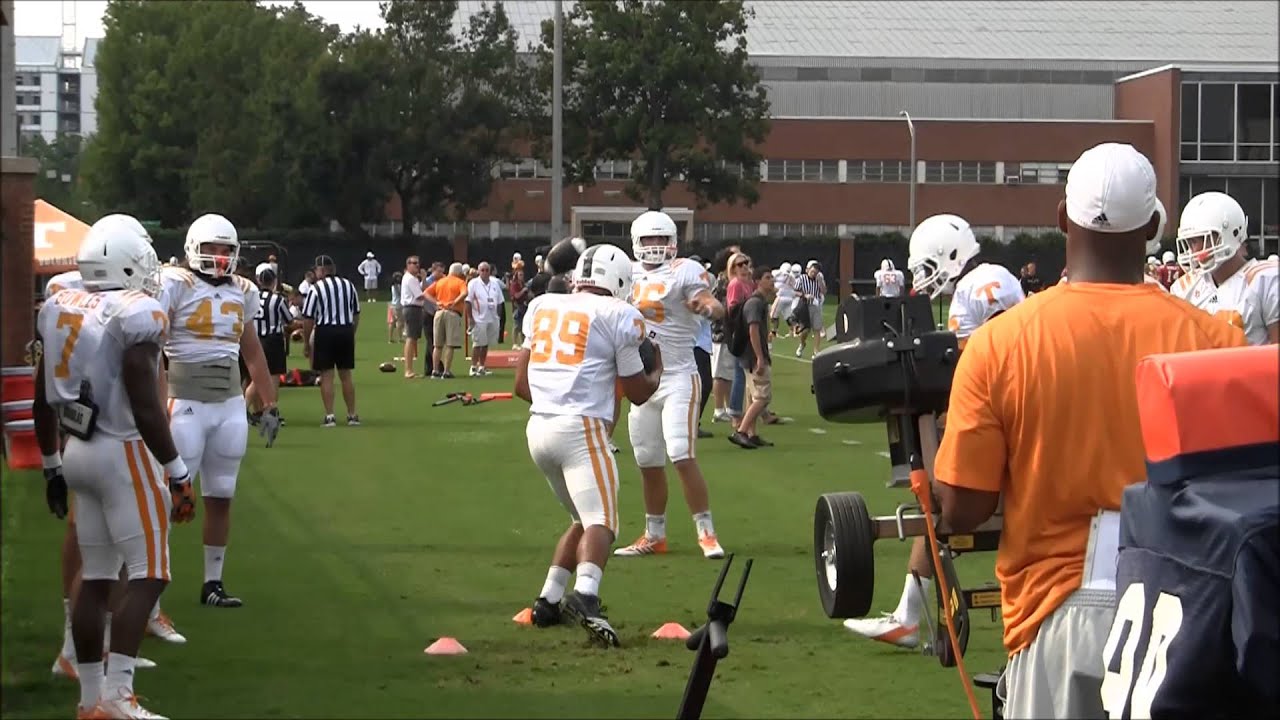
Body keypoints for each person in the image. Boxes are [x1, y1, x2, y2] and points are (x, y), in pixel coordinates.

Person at [931, 142, 1245, 718]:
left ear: (1061, 218)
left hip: (1056, 609)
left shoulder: (1002, 342)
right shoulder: (1217, 340)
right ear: (1152, 226)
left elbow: (964, 508)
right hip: (1185, 608)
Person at [33, 215, 195, 719]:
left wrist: (51, 466)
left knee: (98, 575)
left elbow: (42, 399)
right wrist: (179, 470)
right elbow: (146, 404)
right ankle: (118, 696)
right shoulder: (134, 312)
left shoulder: (61, 303)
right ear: (125, 263)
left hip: (76, 450)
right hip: (122, 450)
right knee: (152, 575)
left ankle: (89, 701)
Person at [843, 213, 1025, 648]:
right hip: (1009, 412)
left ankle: (910, 614)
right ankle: (909, 613)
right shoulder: (986, 279)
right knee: (933, 499)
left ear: (950, 255)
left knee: (939, 494)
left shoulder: (979, 283)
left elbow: (972, 363)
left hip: (1005, 419)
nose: (923, 279)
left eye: (927, 266)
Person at [515, 243, 663, 646]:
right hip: (579, 430)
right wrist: (658, 369)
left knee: (582, 520)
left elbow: (520, 384)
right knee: (603, 523)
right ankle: (586, 595)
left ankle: (547, 601)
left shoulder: (543, 305)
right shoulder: (619, 313)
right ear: (618, 281)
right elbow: (637, 392)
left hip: (538, 429)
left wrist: (558, 398)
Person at [158, 213, 281, 609]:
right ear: (194, 248)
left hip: (228, 403)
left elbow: (252, 350)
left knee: (222, 495)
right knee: (171, 498)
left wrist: (269, 402)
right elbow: (152, 349)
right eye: (211, 248)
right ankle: (151, 595)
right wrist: (158, 404)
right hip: (185, 400)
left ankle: (213, 583)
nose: (219, 256)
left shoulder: (242, 290)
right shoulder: (174, 283)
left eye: (225, 249)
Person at [614, 210, 727, 560]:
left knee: (680, 453)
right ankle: (654, 535)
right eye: (649, 239)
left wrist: (707, 307)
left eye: (662, 239)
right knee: (648, 460)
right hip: (642, 378)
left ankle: (706, 532)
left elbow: (712, 303)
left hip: (678, 375)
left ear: (673, 241)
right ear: (636, 241)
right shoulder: (625, 272)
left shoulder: (684, 271)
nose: (656, 246)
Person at [1172, 191, 1279, 345]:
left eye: (1203, 239)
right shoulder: (1185, 288)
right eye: (1191, 242)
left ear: (1231, 232)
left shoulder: (1265, 279)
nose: (1195, 250)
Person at [300, 255, 361, 426]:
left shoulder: (315, 288)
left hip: (325, 331)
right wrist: (352, 333)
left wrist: (306, 343)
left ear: (321, 270)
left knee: (327, 375)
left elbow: (308, 317)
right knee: (346, 375)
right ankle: (352, 415)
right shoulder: (348, 285)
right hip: (345, 329)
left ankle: (330, 416)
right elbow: (356, 313)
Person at [729, 266, 776, 449]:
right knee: (762, 397)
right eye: (767, 277)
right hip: (752, 357)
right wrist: (760, 357)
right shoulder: (755, 303)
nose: (771, 281)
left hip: (748, 356)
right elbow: (753, 330)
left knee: (752, 396)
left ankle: (751, 434)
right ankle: (741, 431)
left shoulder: (759, 302)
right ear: (758, 281)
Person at [245, 265, 293, 426]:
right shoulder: (278, 300)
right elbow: (289, 320)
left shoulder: (252, 297)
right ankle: (270, 413)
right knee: (272, 378)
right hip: (273, 340)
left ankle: (244, 409)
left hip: (255, 339)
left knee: (255, 377)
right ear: (274, 281)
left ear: (259, 281)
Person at [426, 263, 468, 379]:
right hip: (452, 313)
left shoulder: (440, 282)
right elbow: (465, 293)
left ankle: (435, 371)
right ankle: (446, 371)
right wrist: (454, 302)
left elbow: (425, 293)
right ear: (459, 273)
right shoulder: (460, 282)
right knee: (450, 344)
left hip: (439, 313)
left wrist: (436, 302)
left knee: (437, 345)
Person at [466, 262, 504, 376]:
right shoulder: (473, 283)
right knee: (477, 343)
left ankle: (482, 366)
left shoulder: (495, 283)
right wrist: (470, 318)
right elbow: (468, 301)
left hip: (492, 318)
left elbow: (500, 301)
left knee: (486, 343)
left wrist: (498, 316)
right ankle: (473, 367)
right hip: (478, 318)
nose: (485, 272)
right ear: (479, 271)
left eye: (487, 270)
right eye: (482, 270)